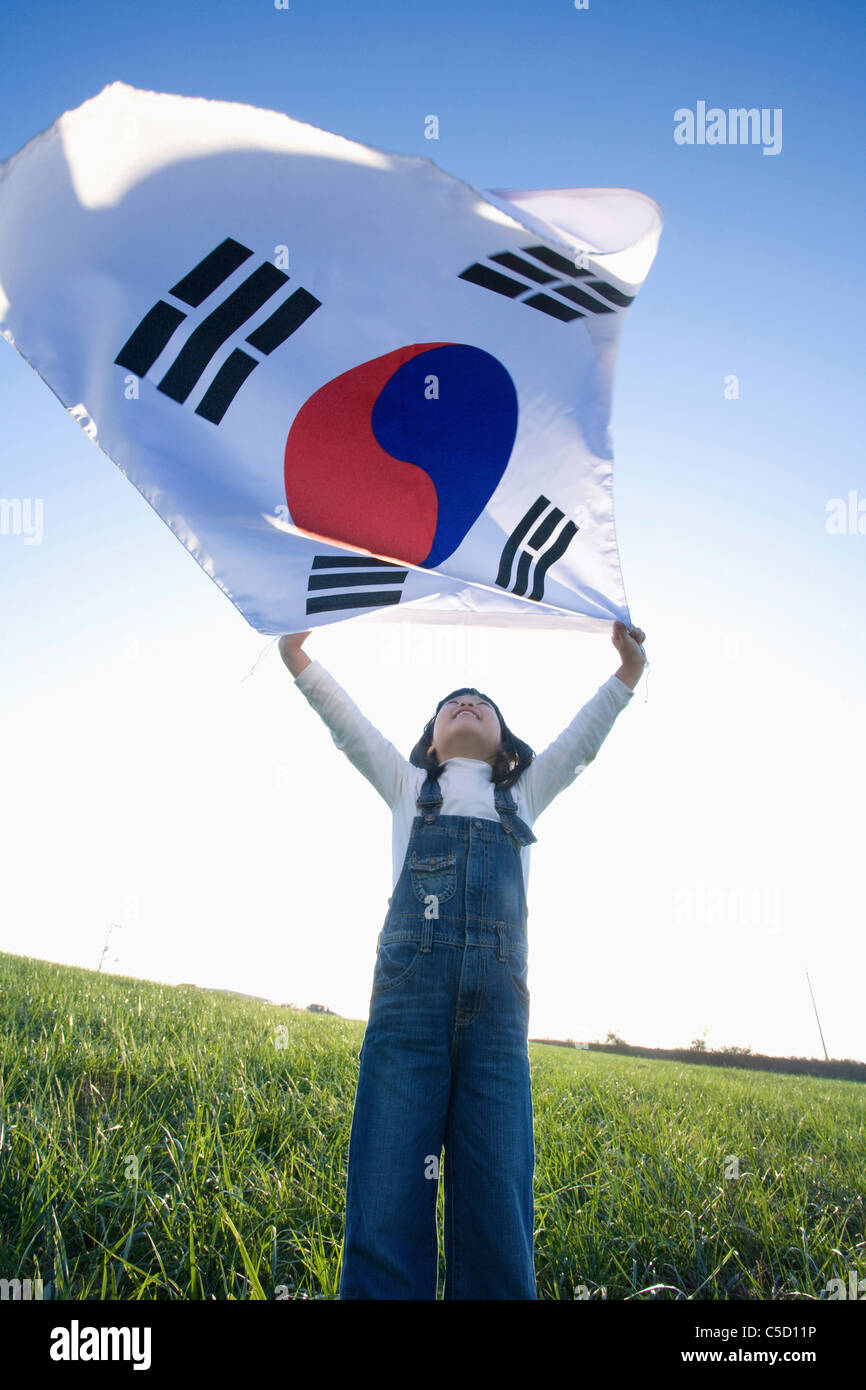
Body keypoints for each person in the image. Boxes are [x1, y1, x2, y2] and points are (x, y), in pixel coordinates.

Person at [278, 620, 647, 1299]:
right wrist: (299, 658)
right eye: (452, 703)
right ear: (430, 744)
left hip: (498, 1026)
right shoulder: (404, 784)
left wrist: (626, 673)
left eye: (482, 702)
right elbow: (346, 723)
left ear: (506, 748)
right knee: (390, 1180)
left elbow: (581, 741)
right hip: (407, 1014)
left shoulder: (524, 794)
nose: (467, 702)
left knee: (497, 1185)